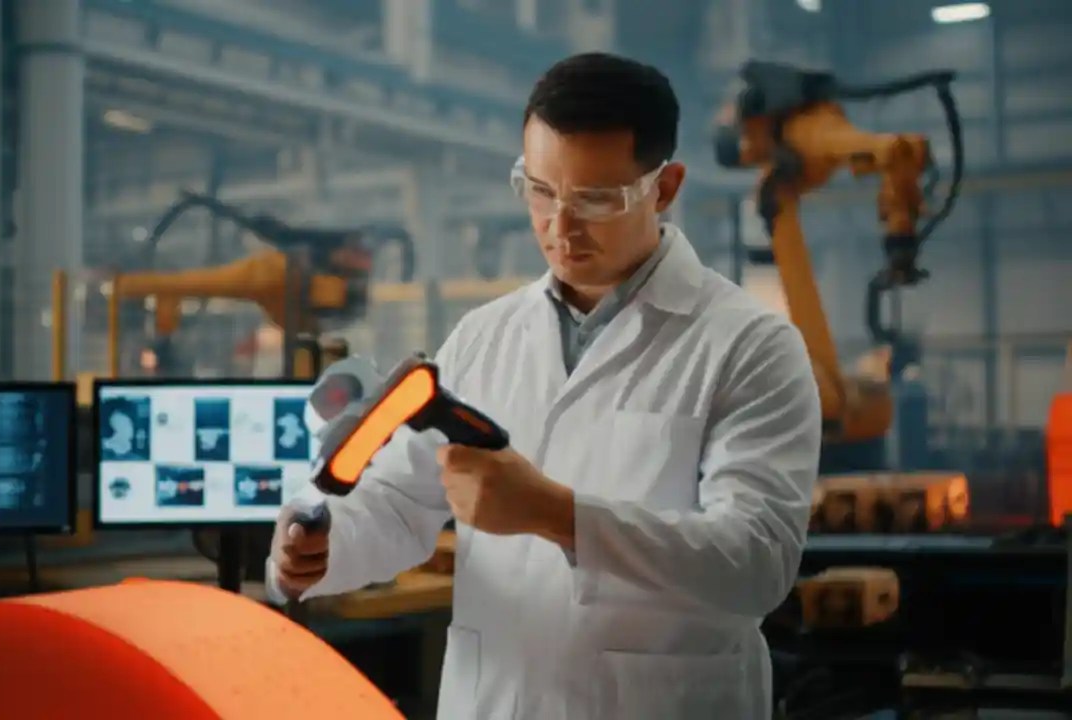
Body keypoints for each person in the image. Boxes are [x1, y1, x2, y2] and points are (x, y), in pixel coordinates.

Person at [269, 52, 822, 719]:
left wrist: (557, 515)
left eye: (595, 198)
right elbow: (399, 504)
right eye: (538, 189)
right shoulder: (483, 337)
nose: (560, 227)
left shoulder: (750, 347)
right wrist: (325, 549)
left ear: (666, 186)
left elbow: (756, 563)